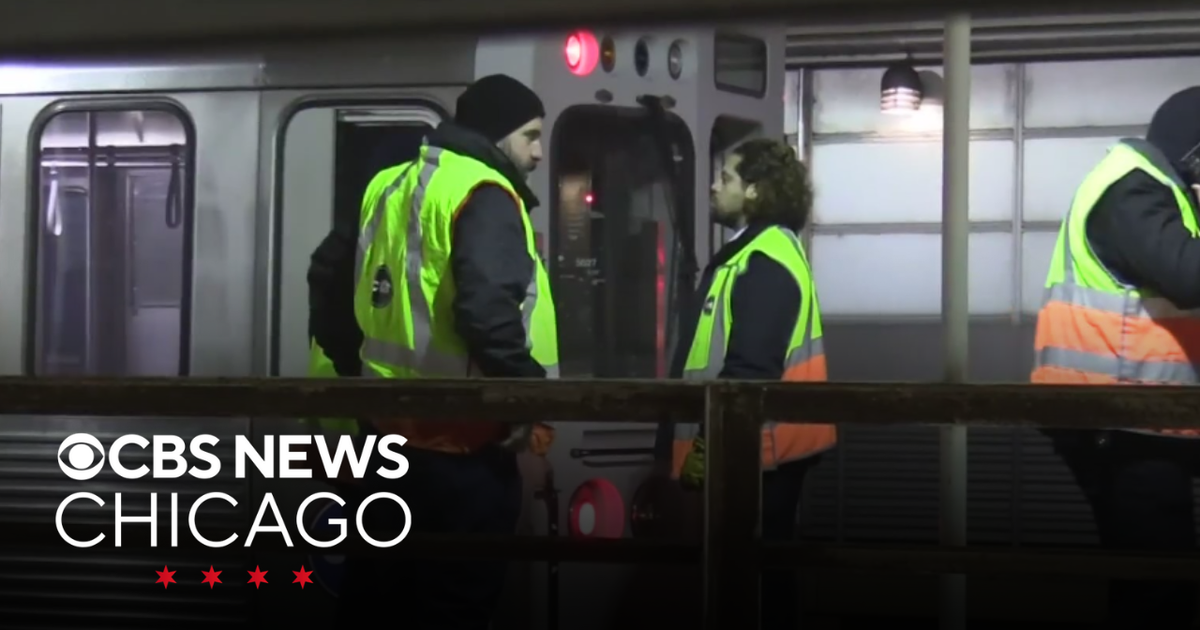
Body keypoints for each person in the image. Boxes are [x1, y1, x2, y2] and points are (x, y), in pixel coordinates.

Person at [306, 73, 558, 630]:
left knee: (375, 600)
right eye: (531, 136)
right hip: (463, 454)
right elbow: (487, 316)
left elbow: (325, 279)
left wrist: (353, 364)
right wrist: (528, 398)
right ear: (497, 134)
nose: (539, 152)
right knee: (453, 609)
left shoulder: (387, 186)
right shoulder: (486, 194)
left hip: (383, 448)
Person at [1030, 86, 1200, 630]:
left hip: (1136, 415)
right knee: (1158, 584)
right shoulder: (1132, 188)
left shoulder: (1152, 191)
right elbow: (1188, 275)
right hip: (1120, 416)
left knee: (1151, 575)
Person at [665, 138, 836, 630]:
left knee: (752, 589)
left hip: (758, 458)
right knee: (761, 579)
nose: (715, 184)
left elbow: (749, 372)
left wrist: (704, 453)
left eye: (727, 177)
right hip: (762, 455)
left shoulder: (765, 261)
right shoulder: (758, 253)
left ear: (756, 191)